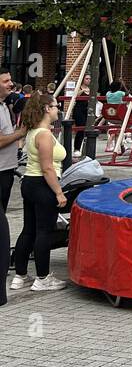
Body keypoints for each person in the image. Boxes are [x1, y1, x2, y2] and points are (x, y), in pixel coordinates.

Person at [9, 91, 68, 293]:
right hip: (43, 185)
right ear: (46, 109)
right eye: (55, 105)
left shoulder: (34, 131)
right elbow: (47, 168)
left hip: (30, 183)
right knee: (44, 231)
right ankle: (43, 278)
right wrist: (59, 192)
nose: (57, 108)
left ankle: (20, 275)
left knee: (29, 229)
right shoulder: (43, 134)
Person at [0, 72, 26, 307]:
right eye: (6, 81)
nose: (11, 84)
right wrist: (19, 133)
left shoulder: (5, 106)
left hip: (6, 170)